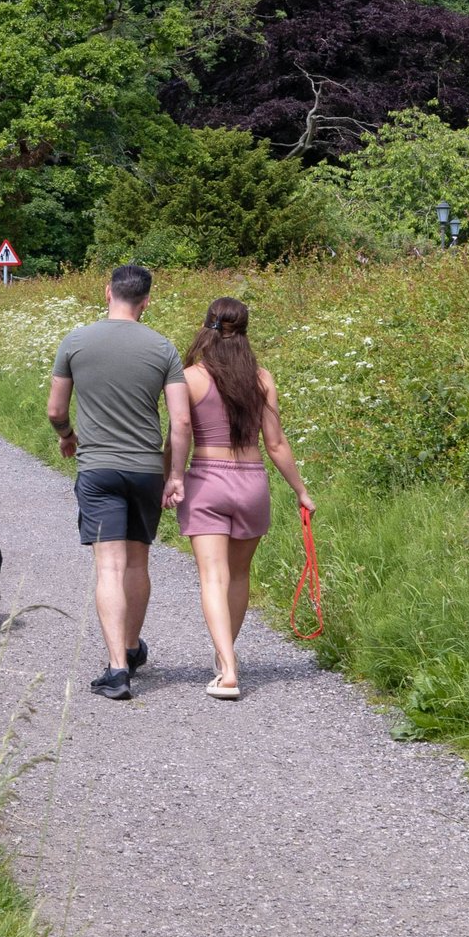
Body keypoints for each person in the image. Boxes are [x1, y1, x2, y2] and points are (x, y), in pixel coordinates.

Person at [48, 263, 191, 701]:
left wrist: (68, 438)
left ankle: (116, 670)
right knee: (137, 563)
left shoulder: (75, 341)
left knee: (107, 567)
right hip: (146, 470)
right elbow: (181, 421)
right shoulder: (164, 349)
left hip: (98, 470)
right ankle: (131, 648)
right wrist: (175, 475)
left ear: (107, 292)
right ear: (146, 301)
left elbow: (55, 411)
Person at [177, 297, 313, 701]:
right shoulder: (262, 378)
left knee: (213, 577)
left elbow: (179, 433)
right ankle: (225, 659)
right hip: (252, 484)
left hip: (206, 480)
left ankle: (229, 669)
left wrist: (170, 478)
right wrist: (302, 491)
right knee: (238, 576)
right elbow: (275, 443)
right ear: (245, 330)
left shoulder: (190, 378)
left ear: (208, 327)